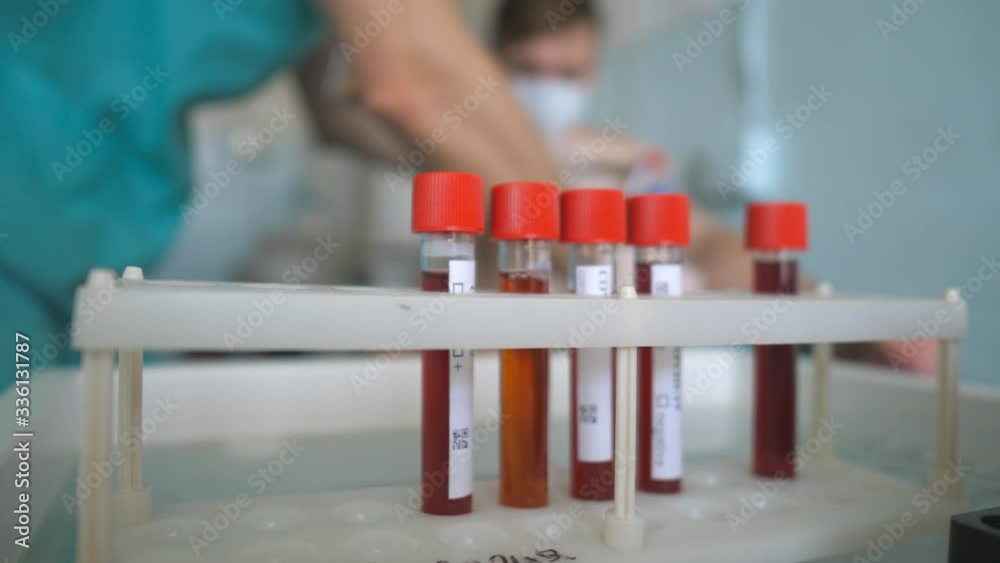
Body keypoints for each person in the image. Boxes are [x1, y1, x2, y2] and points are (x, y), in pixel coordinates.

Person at [0, 0, 558, 370]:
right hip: (28, 191)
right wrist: (569, 227)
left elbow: (343, 109)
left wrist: (503, 193)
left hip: (68, 221)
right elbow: (412, 81)